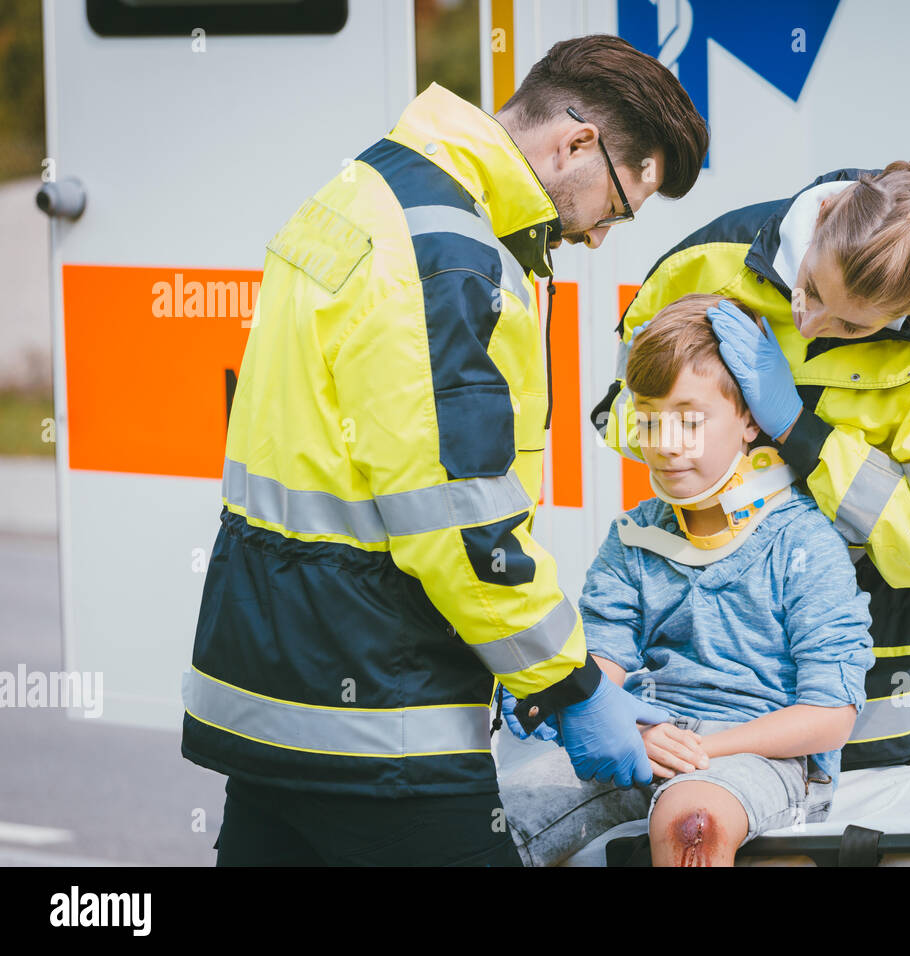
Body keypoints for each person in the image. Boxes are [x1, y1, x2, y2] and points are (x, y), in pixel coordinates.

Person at [180, 34, 708, 866]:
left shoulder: (366, 187)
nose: (603, 237)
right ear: (576, 142)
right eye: (617, 205)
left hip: (278, 678)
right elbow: (455, 514)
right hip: (380, 708)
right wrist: (565, 684)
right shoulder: (449, 253)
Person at [593, 158, 910, 770]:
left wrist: (798, 429)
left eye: (851, 324)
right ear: (823, 216)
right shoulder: (707, 261)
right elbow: (623, 411)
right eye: (813, 289)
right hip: (739, 684)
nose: (811, 322)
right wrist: (715, 432)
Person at [498, 294, 874, 867]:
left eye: (689, 420)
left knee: (690, 825)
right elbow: (604, 660)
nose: (665, 443)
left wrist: (696, 748)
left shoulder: (803, 543)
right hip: (646, 734)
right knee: (491, 817)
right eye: (649, 419)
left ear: (749, 418)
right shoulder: (633, 538)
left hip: (760, 752)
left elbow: (831, 716)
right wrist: (583, 708)